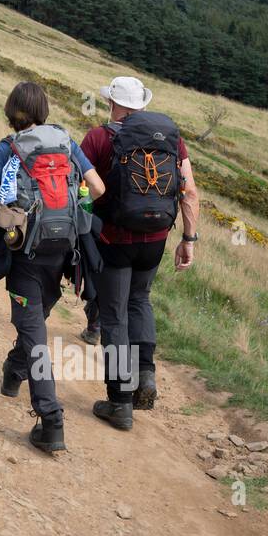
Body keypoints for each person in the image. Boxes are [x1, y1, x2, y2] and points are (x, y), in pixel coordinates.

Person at [0, 82, 104, 452]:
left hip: (24, 254)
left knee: (34, 334)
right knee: (34, 324)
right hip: (63, 253)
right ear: (44, 111)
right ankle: (14, 370)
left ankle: (51, 419)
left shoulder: (6, 149)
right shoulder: (66, 142)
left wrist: (16, 210)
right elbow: (96, 188)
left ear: (10, 112)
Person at [80, 76, 199, 430]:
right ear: (143, 105)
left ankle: (119, 402)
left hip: (114, 240)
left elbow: (81, 187)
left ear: (113, 103)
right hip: (156, 239)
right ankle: (146, 375)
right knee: (140, 301)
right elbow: (189, 193)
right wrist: (189, 239)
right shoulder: (171, 141)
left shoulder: (99, 137)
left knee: (114, 316)